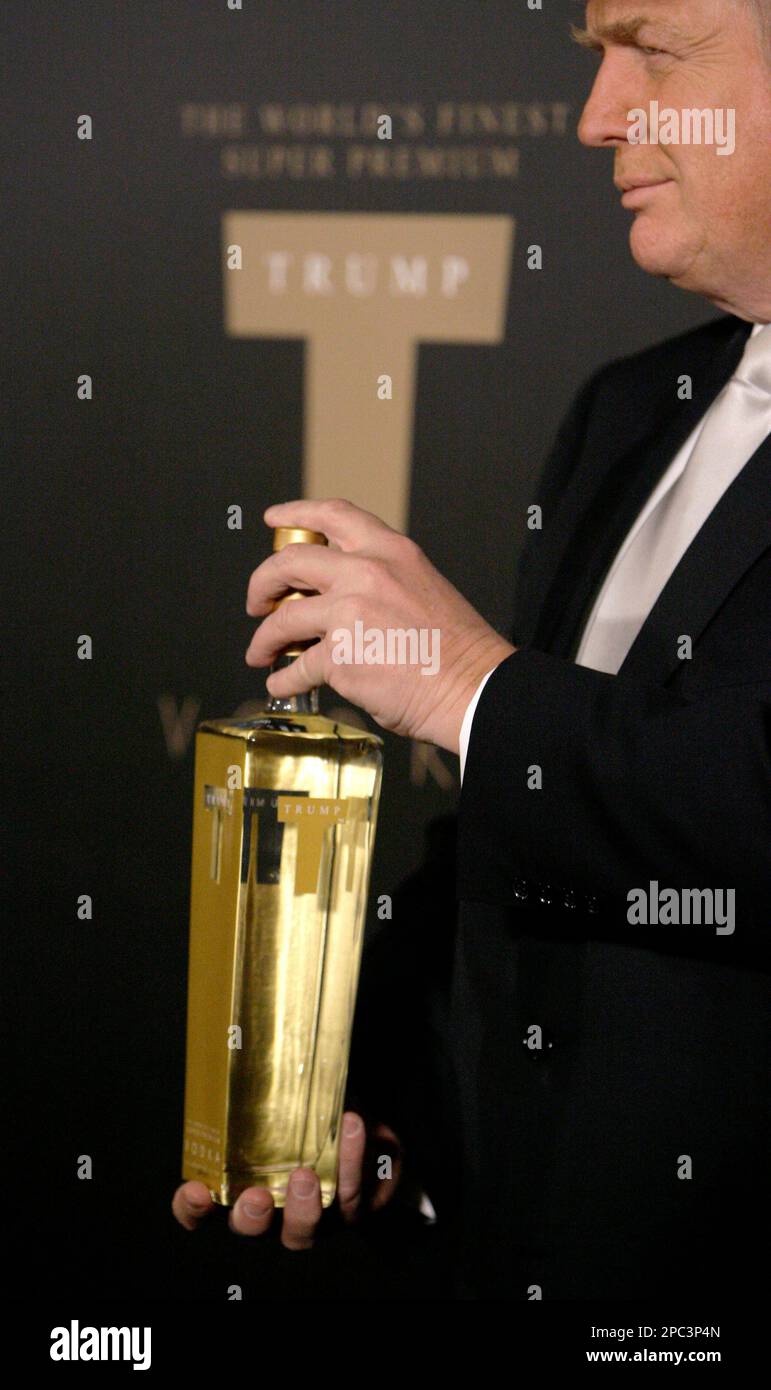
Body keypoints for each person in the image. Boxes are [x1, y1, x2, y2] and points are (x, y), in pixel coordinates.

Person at [173, 0, 771, 1298]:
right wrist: (380, 1129)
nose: (597, 116)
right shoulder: (629, 411)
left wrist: (463, 683)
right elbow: (514, 847)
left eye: (652, 51)